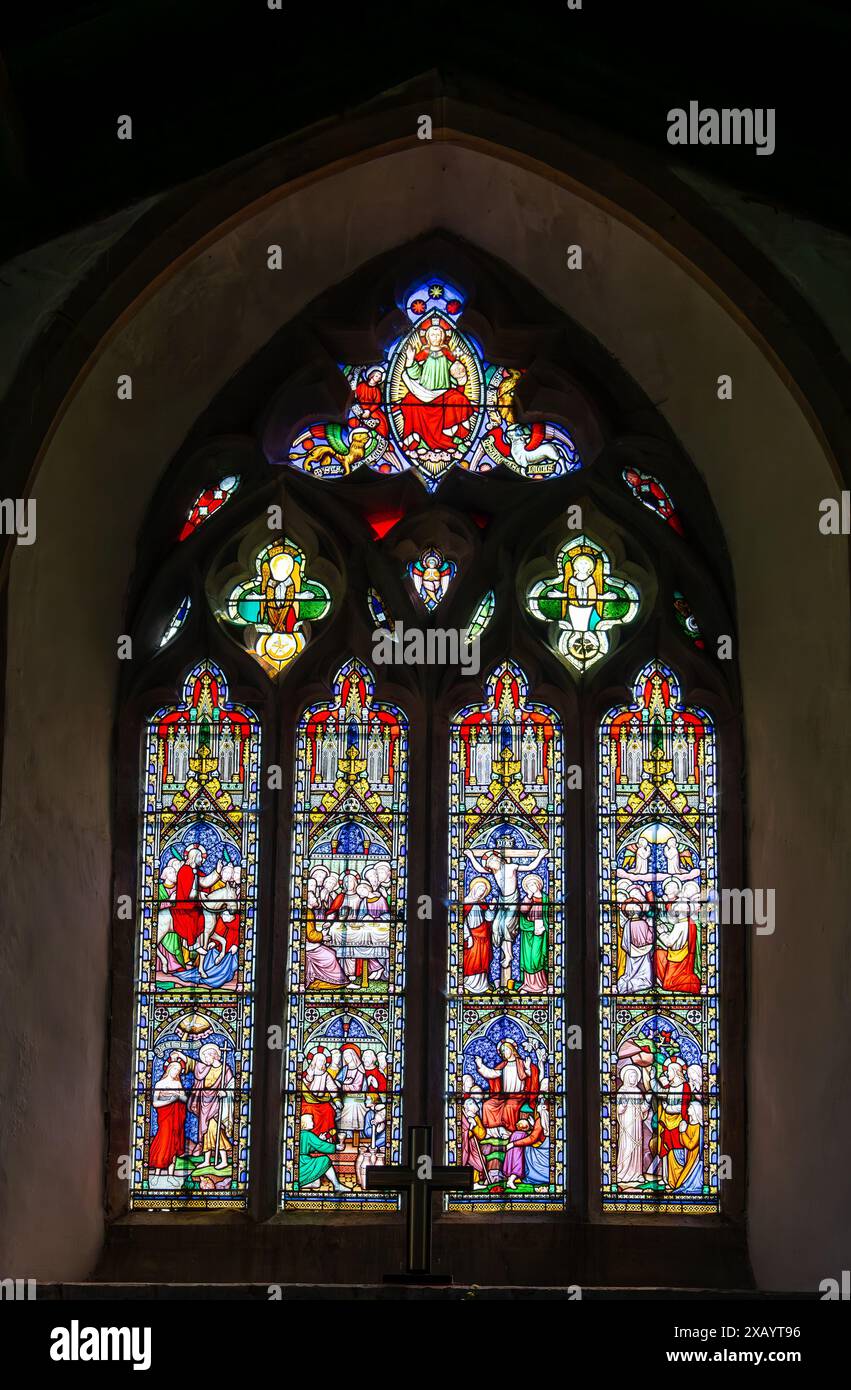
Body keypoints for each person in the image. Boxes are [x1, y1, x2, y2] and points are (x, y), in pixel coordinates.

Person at [398, 320, 474, 452]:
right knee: (408, 401)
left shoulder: (448, 355)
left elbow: (457, 375)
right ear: (427, 337)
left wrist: (460, 375)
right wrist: (410, 361)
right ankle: (418, 438)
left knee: (459, 400)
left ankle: (454, 435)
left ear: (443, 338)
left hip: (445, 393)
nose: (435, 338)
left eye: (438, 335)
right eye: (432, 335)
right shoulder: (422, 354)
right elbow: (415, 374)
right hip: (423, 392)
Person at [475, 1039, 539, 1134]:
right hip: (503, 1096)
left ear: (512, 1049)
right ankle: (493, 1131)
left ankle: (510, 1131)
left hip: (518, 1096)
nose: (504, 1052)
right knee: (487, 1105)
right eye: (502, 1051)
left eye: (506, 1049)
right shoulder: (503, 1065)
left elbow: (530, 1076)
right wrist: (480, 1066)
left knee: (509, 1106)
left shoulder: (521, 1063)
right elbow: (492, 1073)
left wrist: (528, 1068)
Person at [148, 1054, 188, 1175]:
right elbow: (155, 1103)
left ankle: (171, 1174)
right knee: (164, 1143)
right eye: (175, 1069)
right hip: (165, 1118)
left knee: (174, 1145)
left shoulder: (177, 1084)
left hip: (175, 1119)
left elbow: (185, 1099)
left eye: (179, 1071)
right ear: (169, 1068)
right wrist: (171, 1099)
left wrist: (178, 1096)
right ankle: (157, 1173)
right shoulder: (159, 1084)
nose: (176, 1072)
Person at [616, 1064, 650, 1188]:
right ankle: (623, 1172)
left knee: (637, 1147)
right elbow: (617, 1110)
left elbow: (642, 1110)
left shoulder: (638, 1091)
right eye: (631, 1076)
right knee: (627, 1146)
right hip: (626, 1124)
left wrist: (645, 1106)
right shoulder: (622, 1091)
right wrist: (622, 1106)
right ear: (625, 1077)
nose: (634, 1079)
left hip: (637, 1125)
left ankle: (636, 1173)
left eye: (635, 1076)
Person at [298, 1115, 346, 1190]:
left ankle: (299, 1184)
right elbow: (320, 1145)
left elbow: (308, 1148)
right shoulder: (308, 1134)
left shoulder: (300, 1134)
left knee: (316, 1184)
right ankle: (337, 1186)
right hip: (304, 1162)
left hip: (299, 1163)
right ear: (305, 1123)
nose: (313, 1123)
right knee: (325, 1160)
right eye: (311, 1121)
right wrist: (335, 1147)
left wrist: (319, 1139)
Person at [518, 873, 548, 993]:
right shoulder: (527, 899)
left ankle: (541, 985)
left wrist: (544, 925)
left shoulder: (546, 898)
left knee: (538, 956)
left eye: (533, 884)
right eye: (529, 885)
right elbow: (522, 912)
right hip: (529, 930)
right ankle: (527, 985)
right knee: (528, 957)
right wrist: (528, 897)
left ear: (538, 885)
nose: (532, 887)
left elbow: (550, 915)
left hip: (541, 930)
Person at [463, 876, 493, 993]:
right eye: (480, 889)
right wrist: (467, 936)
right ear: (474, 888)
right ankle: (468, 984)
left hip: (483, 935)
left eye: (483, 891)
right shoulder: (466, 902)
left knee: (483, 959)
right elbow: (462, 920)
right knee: (472, 959)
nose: (481, 893)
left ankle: (483, 985)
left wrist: (491, 909)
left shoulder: (482, 903)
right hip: (472, 934)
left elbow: (489, 918)